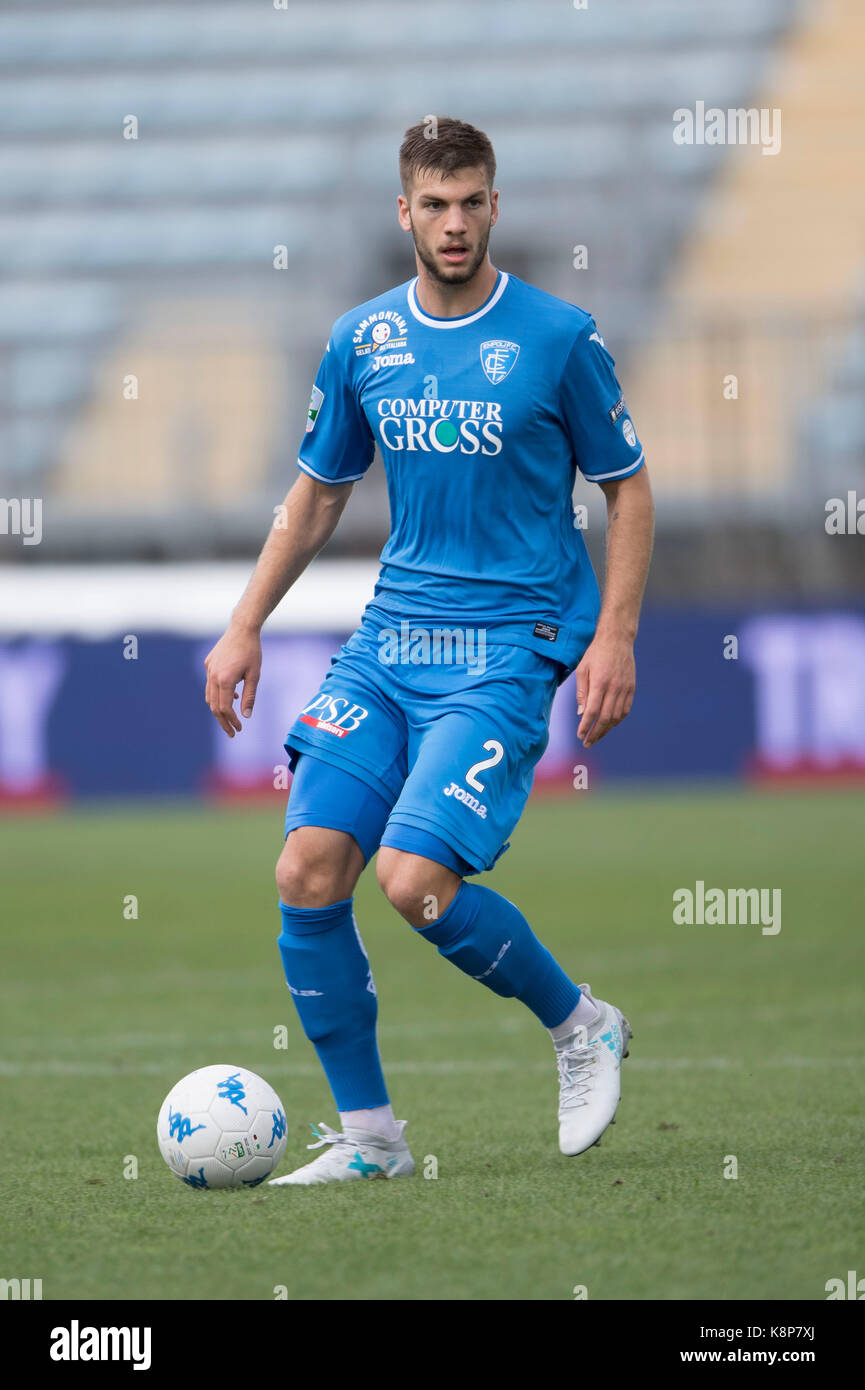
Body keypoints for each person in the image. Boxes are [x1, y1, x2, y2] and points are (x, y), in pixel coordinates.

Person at [204, 117, 654, 1185]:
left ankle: (580, 1022)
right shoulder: (363, 338)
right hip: (389, 641)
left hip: (506, 646)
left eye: (471, 203)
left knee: (411, 881)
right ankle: (372, 1142)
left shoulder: (557, 337)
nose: (453, 224)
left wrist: (617, 635)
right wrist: (244, 619)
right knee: (309, 868)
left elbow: (625, 486)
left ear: (495, 207)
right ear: (403, 212)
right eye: (433, 205)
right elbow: (318, 492)